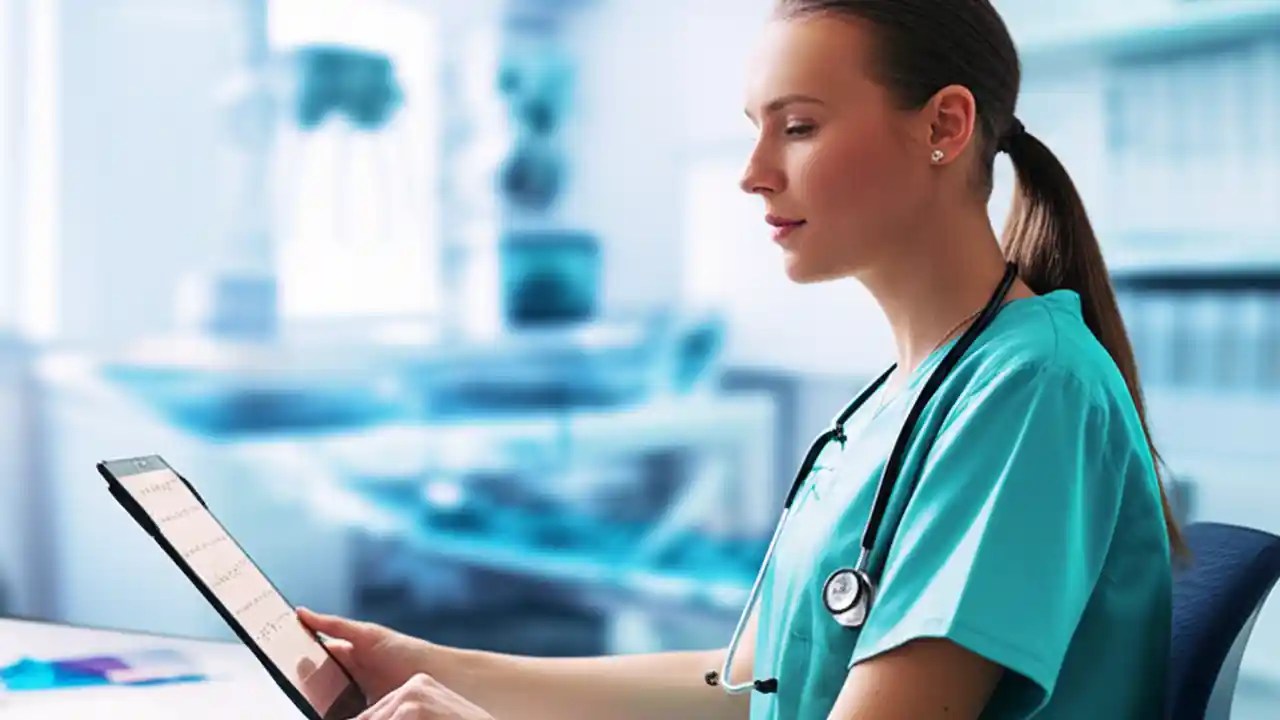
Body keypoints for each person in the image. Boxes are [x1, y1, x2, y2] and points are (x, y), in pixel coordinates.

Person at [298, 1, 1179, 717]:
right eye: (755, 130)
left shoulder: (1031, 390)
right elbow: (749, 689)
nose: (753, 172)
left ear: (944, 125)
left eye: (797, 127)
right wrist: (436, 667)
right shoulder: (895, 400)